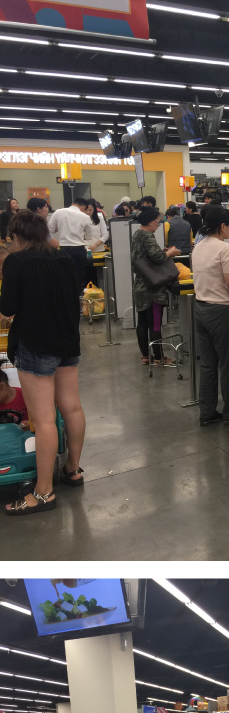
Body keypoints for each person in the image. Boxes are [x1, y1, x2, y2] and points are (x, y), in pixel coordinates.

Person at [0, 210, 86, 515]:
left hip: (35, 346)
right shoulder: (62, 259)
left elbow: (8, 306)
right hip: (67, 343)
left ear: (17, 237)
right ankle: (73, 470)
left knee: (45, 419)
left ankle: (43, 492)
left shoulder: (16, 261)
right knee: (72, 407)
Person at [191, 205, 229, 426]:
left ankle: (207, 412)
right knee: (227, 363)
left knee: (208, 364)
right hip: (220, 311)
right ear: (223, 226)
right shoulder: (224, 248)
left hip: (201, 308)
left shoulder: (199, 246)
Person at [130, 208, 180, 367]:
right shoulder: (147, 235)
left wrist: (161, 252)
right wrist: (171, 253)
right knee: (155, 324)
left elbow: (145, 257)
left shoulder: (137, 234)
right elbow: (157, 258)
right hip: (152, 288)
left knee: (142, 323)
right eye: (158, 221)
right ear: (151, 221)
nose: (159, 224)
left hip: (140, 285)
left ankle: (145, 356)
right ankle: (159, 357)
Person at [47, 197, 104, 295]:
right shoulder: (84, 217)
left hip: (63, 249)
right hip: (78, 250)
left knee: (64, 278)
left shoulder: (58, 212)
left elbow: (49, 230)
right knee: (78, 279)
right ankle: (77, 302)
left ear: (73, 203)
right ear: (83, 207)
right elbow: (89, 234)